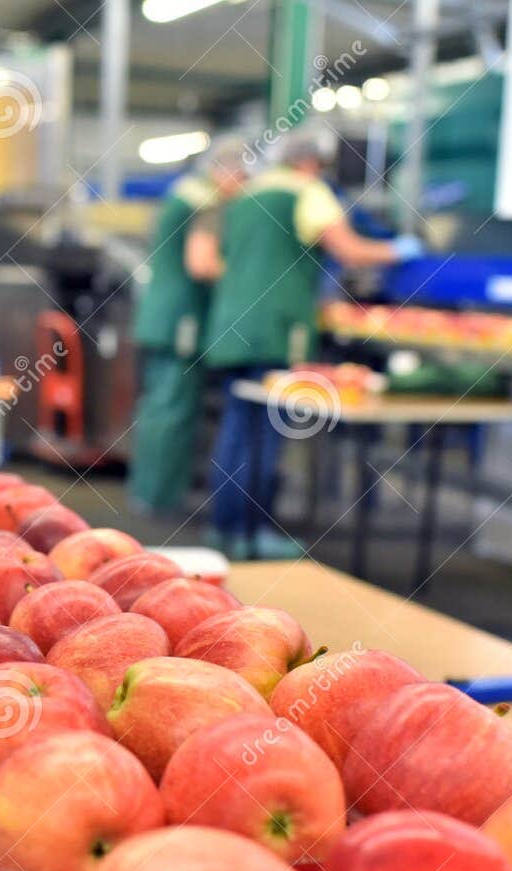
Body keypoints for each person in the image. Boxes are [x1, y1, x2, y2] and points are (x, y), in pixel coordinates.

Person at [201, 126, 422, 560]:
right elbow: (349, 251)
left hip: (231, 323)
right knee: (266, 432)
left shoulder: (245, 196)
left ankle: (225, 529)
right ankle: (255, 533)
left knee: (235, 428)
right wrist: (400, 250)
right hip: (276, 327)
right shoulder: (308, 192)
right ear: (310, 162)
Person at [126, 138, 249, 515]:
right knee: (174, 407)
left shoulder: (180, 196)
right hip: (183, 320)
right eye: (242, 176)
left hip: (163, 316)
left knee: (159, 404)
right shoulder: (205, 204)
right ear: (224, 171)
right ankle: (160, 497)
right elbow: (202, 263)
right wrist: (245, 280)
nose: (243, 186)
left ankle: (148, 491)